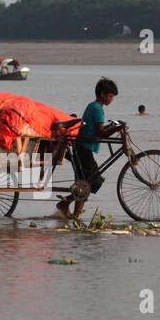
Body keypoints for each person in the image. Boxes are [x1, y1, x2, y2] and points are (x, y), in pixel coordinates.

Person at [57, 77, 121, 218]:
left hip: (82, 148)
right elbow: (100, 132)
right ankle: (67, 205)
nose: (111, 99)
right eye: (110, 96)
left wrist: (112, 127)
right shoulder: (97, 109)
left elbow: (99, 129)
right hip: (83, 149)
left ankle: (74, 214)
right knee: (91, 181)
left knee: (84, 182)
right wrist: (115, 129)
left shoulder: (94, 106)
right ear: (102, 94)